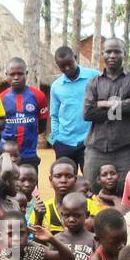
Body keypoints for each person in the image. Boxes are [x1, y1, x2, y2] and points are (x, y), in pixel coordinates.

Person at [82, 37, 130, 190]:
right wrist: (122, 107)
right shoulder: (93, 82)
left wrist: (104, 104)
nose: (113, 56)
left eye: (117, 51)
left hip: (125, 149)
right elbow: (88, 112)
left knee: (126, 192)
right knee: (91, 191)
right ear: (102, 54)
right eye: (109, 52)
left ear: (124, 54)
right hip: (95, 147)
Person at [49, 45, 98, 173]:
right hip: (64, 143)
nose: (67, 68)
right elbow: (54, 115)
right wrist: (56, 139)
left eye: (69, 64)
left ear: (75, 58)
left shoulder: (94, 76)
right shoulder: (56, 86)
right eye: (62, 66)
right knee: (66, 183)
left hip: (89, 142)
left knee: (91, 181)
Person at [0, 57, 49, 171]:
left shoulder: (39, 96)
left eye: (20, 74)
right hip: (6, 155)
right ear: (6, 74)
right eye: (12, 74)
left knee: (30, 187)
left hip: (29, 155)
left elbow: (41, 127)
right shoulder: (1, 98)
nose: (16, 77)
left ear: (26, 73)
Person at [31, 156, 103, 232]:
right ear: (50, 179)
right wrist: (38, 219)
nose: (63, 180)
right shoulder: (43, 208)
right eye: (58, 176)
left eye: (69, 176)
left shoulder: (89, 205)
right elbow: (31, 238)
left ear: (75, 179)